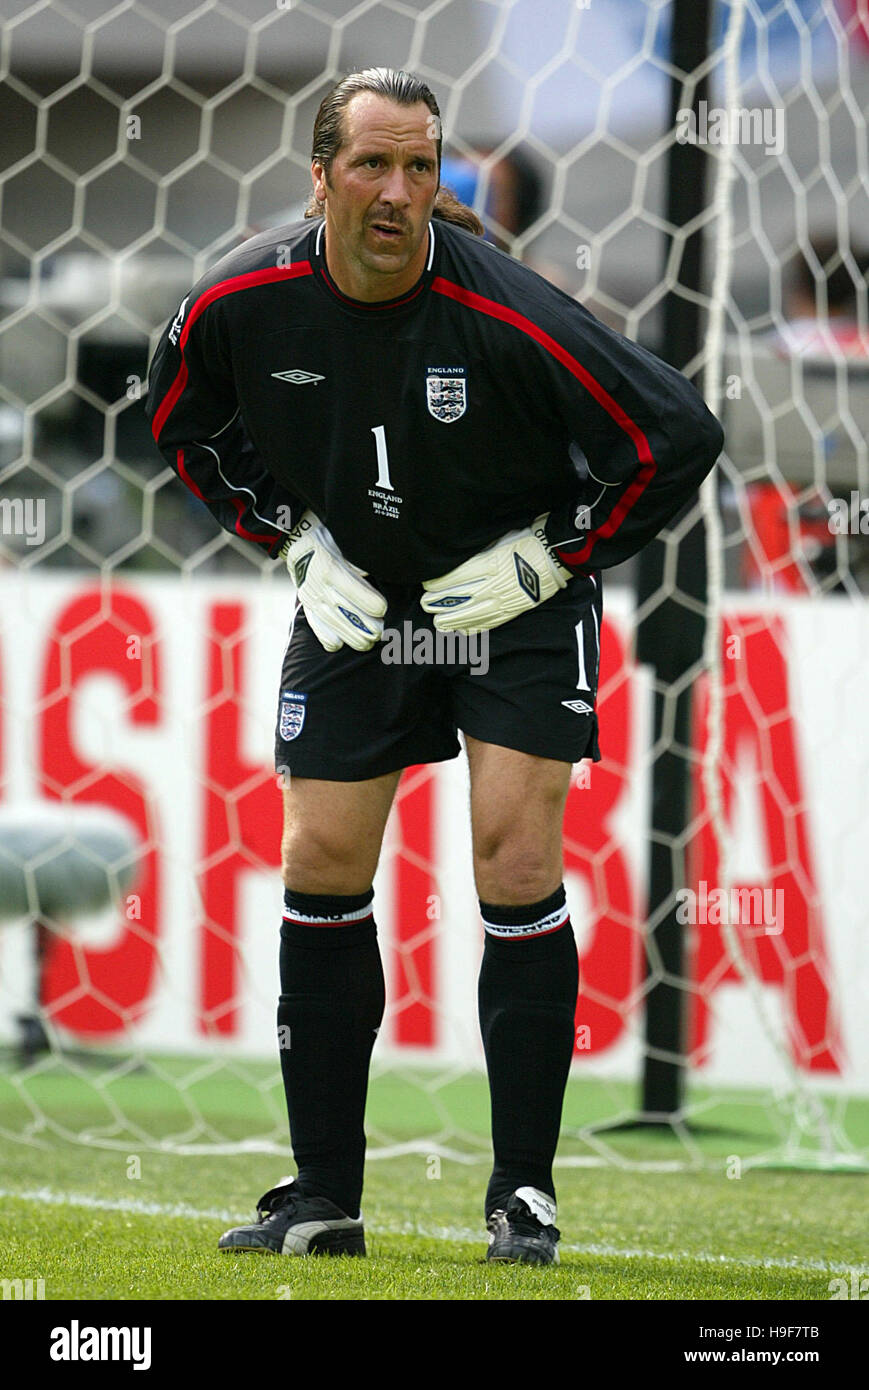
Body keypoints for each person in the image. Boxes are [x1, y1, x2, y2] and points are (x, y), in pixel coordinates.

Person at [146, 67, 723, 1265]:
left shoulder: (510, 309)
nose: (399, 190)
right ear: (320, 180)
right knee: (319, 853)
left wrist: (549, 556)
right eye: (372, 165)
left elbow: (677, 436)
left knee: (513, 852)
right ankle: (322, 1196)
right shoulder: (240, 301)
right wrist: (287, 543)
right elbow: (176, 420)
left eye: (420, 166)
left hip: (506, 602)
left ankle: (522, 1193)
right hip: (355, 596)